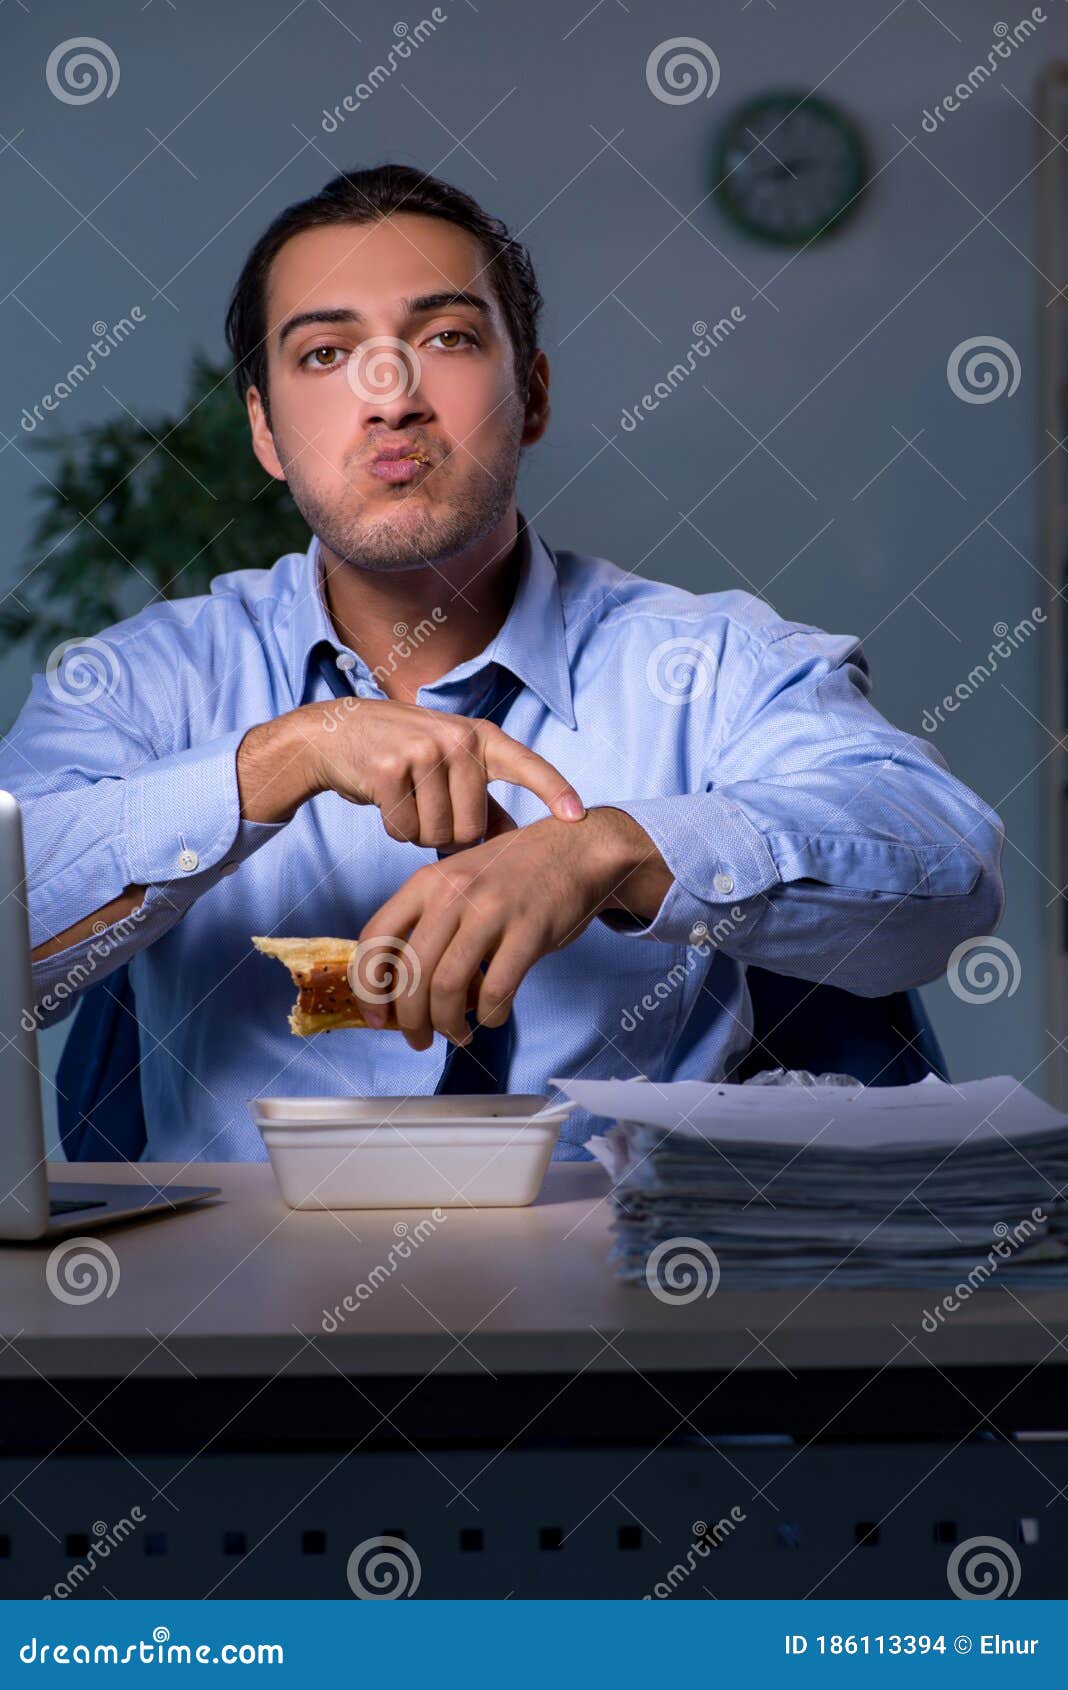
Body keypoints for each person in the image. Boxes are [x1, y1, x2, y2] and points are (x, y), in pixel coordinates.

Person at [2, 163, 1005, 1162]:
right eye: (324, 354)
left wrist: (611, 850)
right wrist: (280, 760)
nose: (391, 399)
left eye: (445, 339)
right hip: (228, 1303)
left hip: (634, 1292)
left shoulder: (716, 663)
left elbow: (950, 875)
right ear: (265, 432)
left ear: (530, 396)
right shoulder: (142, 681)